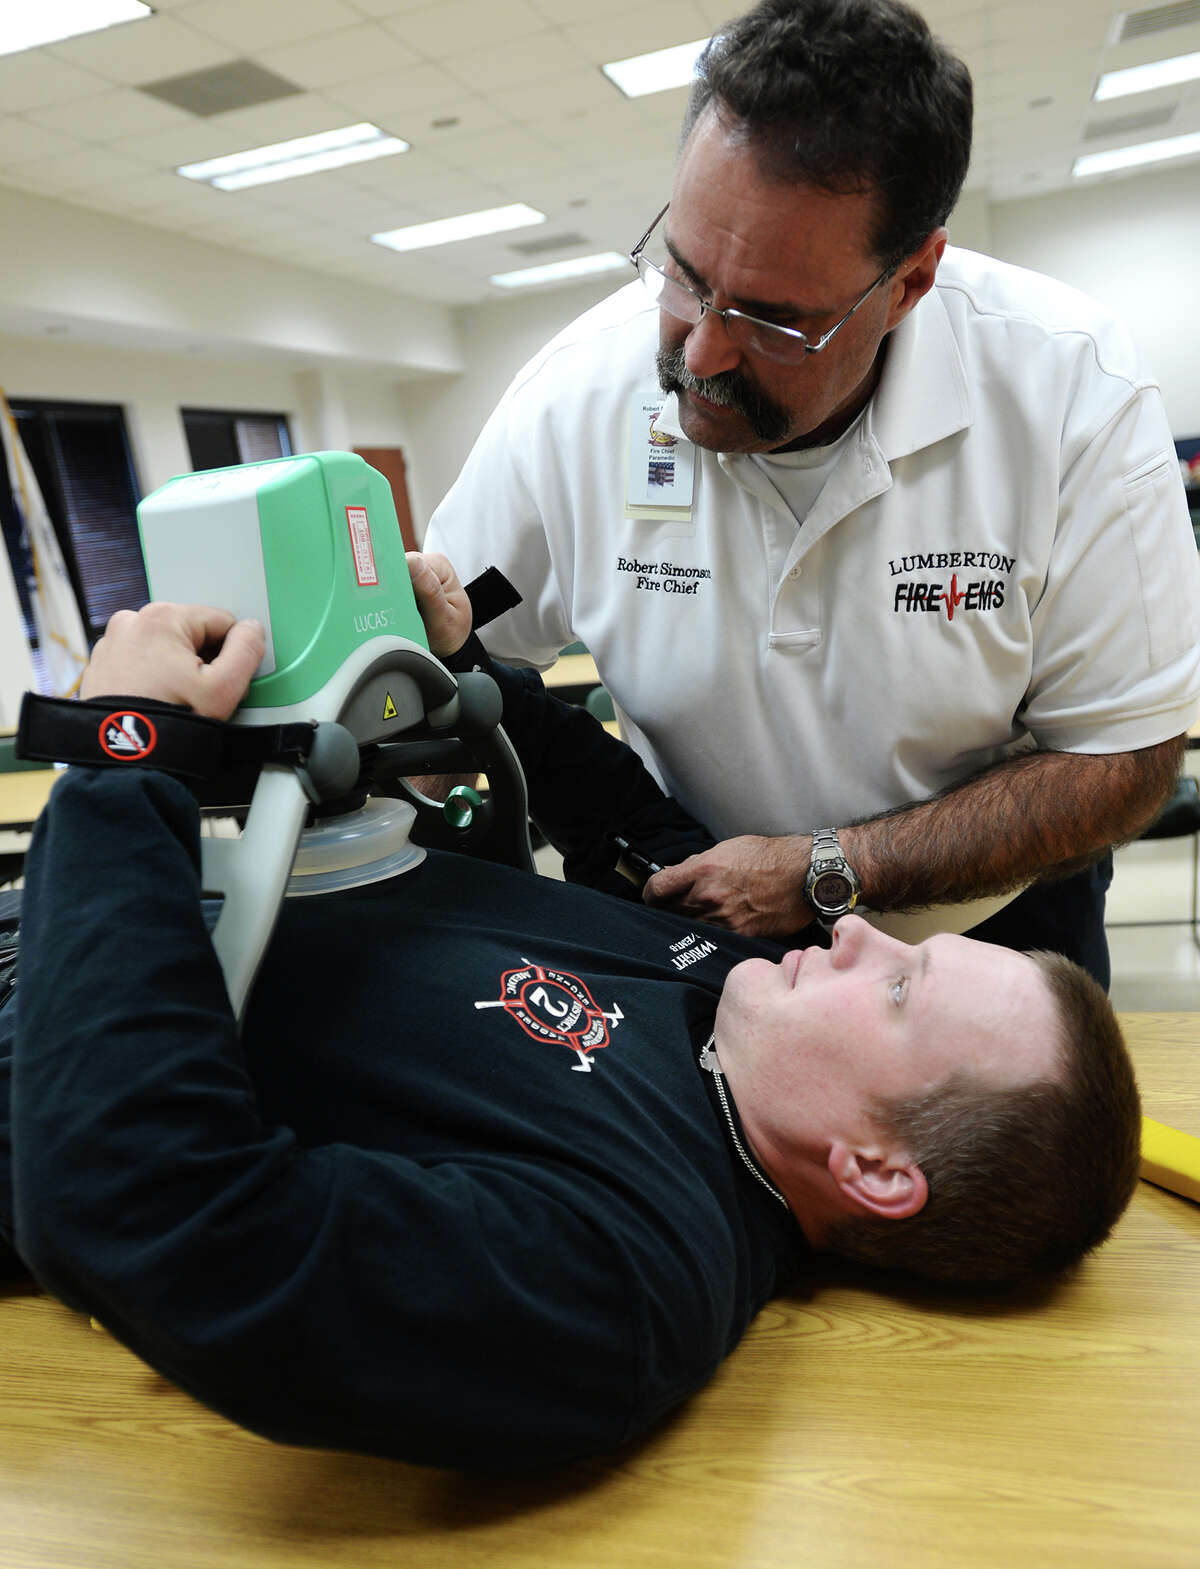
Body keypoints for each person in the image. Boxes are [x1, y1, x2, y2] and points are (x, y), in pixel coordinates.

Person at [0, 595, 1141, 1470]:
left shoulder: (619, 1282)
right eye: (909, 948)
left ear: (877, 1172)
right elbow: (625, 815)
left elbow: (155, 1214)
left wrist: (121, 756)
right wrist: (449, 663)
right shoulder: (746, 983)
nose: (861, 940)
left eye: (900, 992)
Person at [423, 0, 1200, 988]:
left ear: (910, 282)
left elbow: (1122, 759)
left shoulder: (1069, 392)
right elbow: (453, 652)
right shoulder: (574, 400)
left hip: (986, 943)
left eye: (776, 323)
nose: (699, 351)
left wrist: (836, 870)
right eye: (684, 275)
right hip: (688, 931)